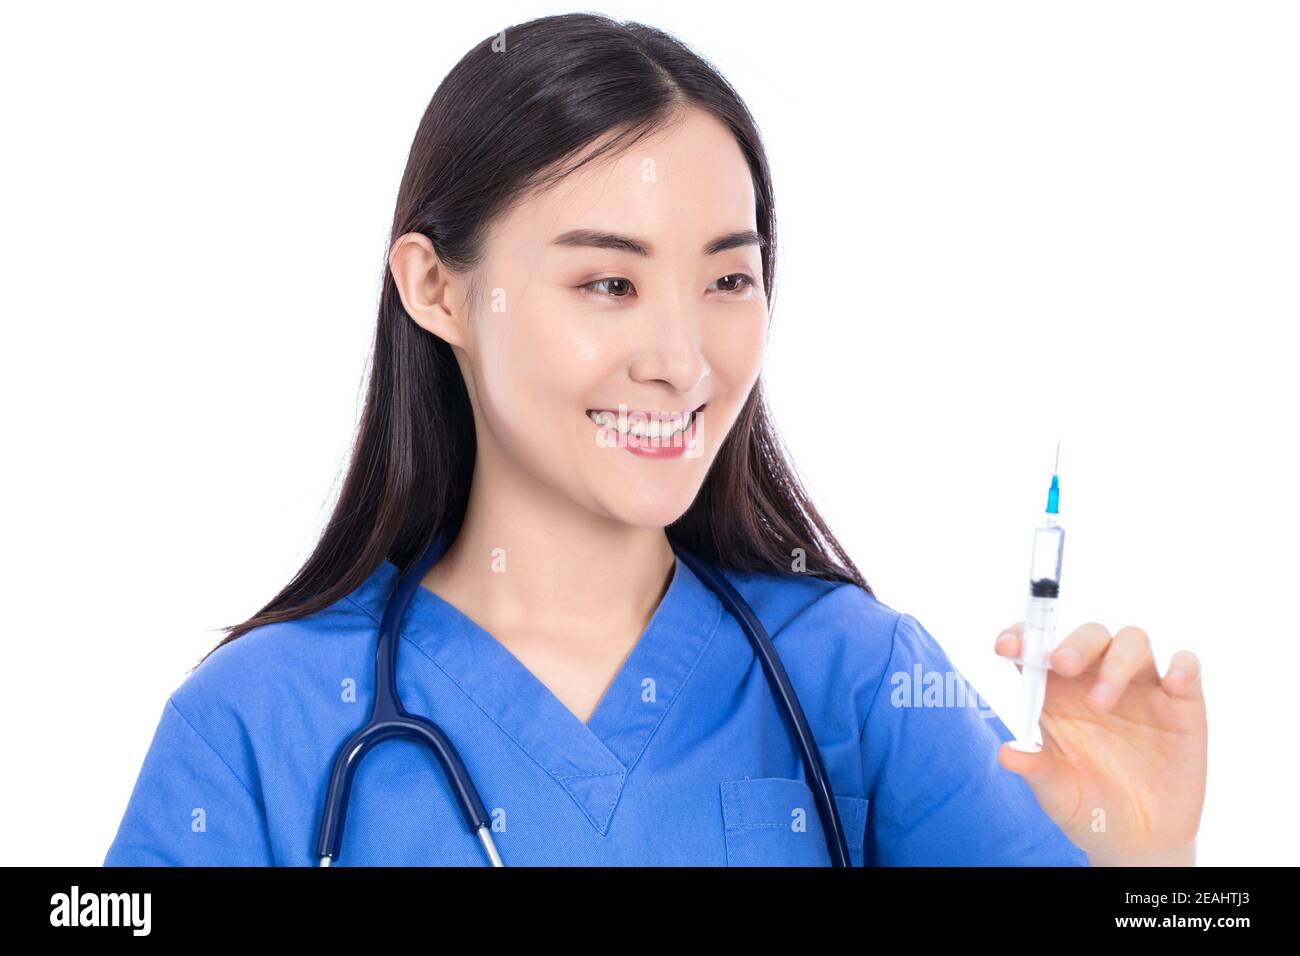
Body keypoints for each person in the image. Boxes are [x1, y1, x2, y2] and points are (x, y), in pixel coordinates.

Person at [104, 12, 1207, 867]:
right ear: (437, 288)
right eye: (608, 281)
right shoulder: (254, 723)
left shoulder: (856, 682)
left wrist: (1152, 867)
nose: (683, 358)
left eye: (728, 277)